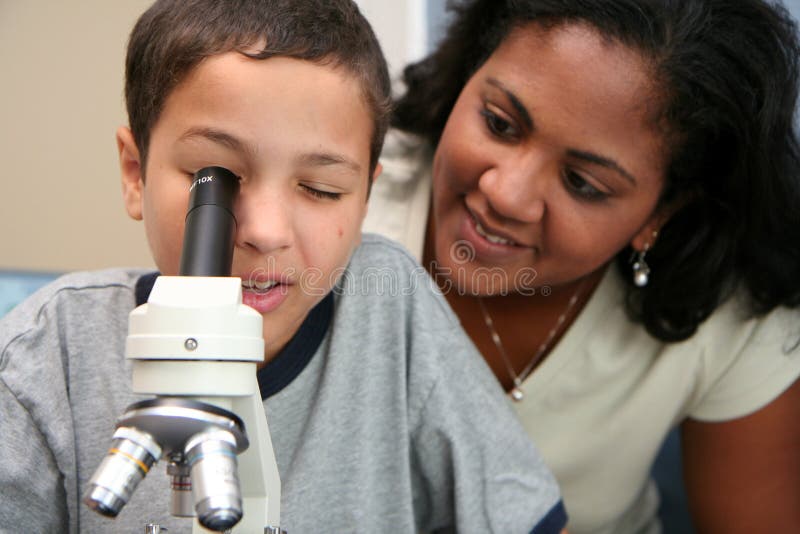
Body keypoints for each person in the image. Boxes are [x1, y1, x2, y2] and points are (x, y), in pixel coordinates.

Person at [0, 1, 569, 532]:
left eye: (320, 189)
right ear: (135, 172)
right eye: (215, 178)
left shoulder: (388, 312)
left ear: (365, 197)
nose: (266, 231)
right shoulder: (49, 351)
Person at [364, 0, 800, 532]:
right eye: (499, 124)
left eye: (582, 184)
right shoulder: (330, 202)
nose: (506, 193)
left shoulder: (734, 317)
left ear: (660, 212)